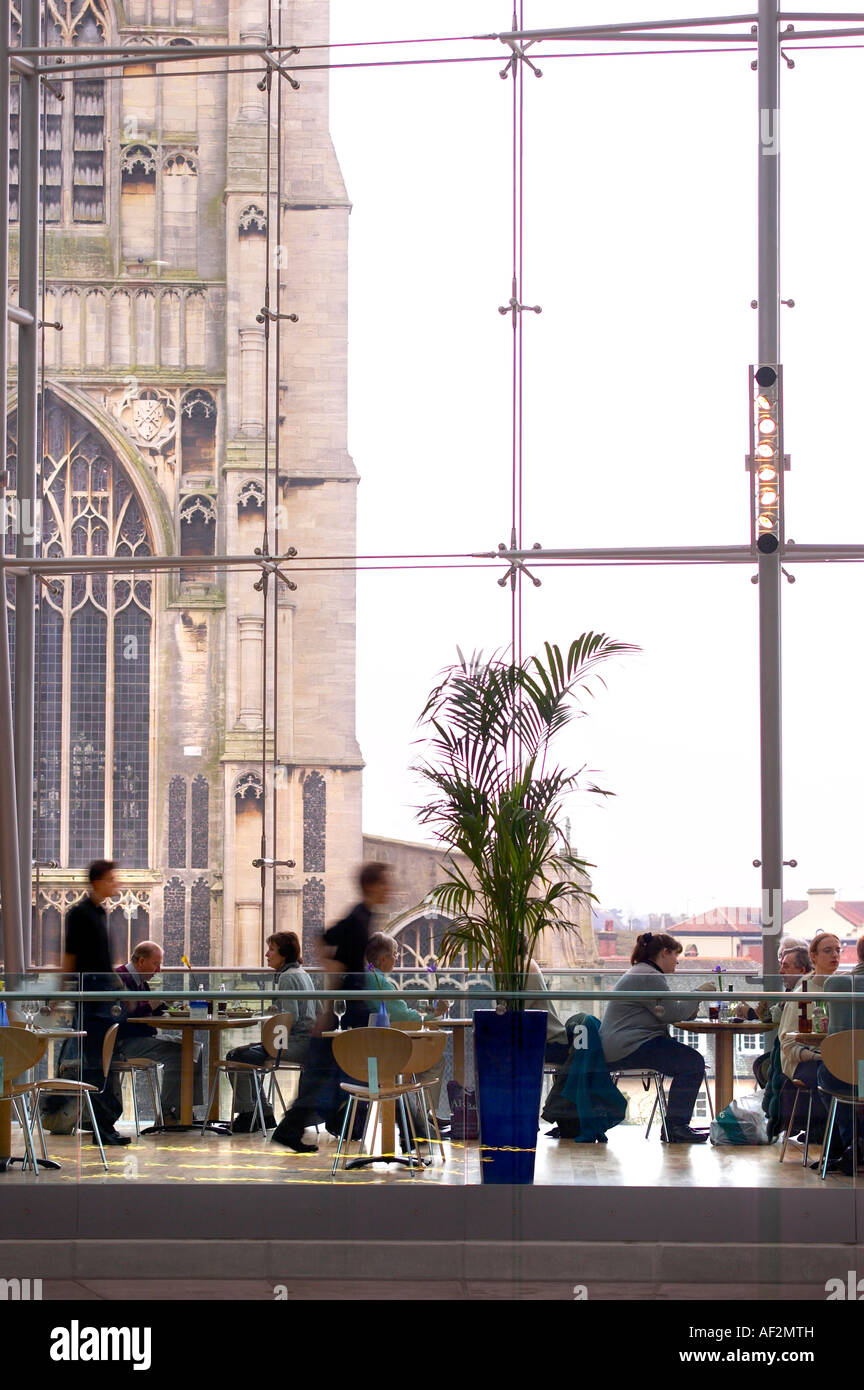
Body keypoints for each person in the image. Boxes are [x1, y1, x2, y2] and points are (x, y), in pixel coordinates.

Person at [271, 862, 394, 1153]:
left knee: (330, 1071)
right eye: (385, 883)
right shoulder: (357, 918)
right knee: (351, 1069)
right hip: (348, 1010)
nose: (389, 889)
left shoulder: (364, 917)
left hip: (350, 1007)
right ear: (372, 885)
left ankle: (299, 1126)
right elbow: (323, 939)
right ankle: (407, 1129)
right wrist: (331, 998)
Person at [599, 931, 709, 1143]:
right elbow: (671, 1013)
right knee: (692, 1063)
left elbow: (665, 1010)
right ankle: (676, 1127)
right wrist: (698, 993)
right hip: (630, 1046)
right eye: (676, 955)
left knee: (687, 1060)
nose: (677, 961)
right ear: (664, 953)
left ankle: (676, 1126)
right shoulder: (650, 976)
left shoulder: (640, 972)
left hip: (622, 1044)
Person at [59, 860, 128, 1147]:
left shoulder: (99, 912)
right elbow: (71, 956)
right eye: (112, 879)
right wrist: (64, 993)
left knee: (104, 1061)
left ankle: (104, 1124)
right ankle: (100, 1127)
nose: (117, 884)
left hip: (101, 996)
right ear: (98, 880)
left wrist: (115, 982)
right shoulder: (80, 914)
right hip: (90, 999)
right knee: (94, 1062)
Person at [224, 932, 319, 1132]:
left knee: (236, 1057)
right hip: (308, 1043)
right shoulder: (302, 974)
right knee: (246, 1055)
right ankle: (263, 1114)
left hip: (293, 1044)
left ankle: (249, 1114)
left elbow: (288, 1018)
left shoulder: (286, 978)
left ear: (283, 954)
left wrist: (270, 1042)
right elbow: (316, 1009)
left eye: (271, 950)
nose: (267, 954)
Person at [364, 931, 448, 1134]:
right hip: (385, 1053)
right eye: (395, 954)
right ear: (383, 959)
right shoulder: (379, 982)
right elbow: (402, 1016)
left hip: (367, 1049)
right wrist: (433, 1014)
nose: (397, 958)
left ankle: (420, 1117)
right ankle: (421, 1117)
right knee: (436, 1060)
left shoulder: (367, 977)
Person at [115, 942, 203, 1127]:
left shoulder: (140, 982)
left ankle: (184, 1109)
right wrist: (153, 1004)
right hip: (124, 1043)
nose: (159, 970)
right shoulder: (120, 979)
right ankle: (167, 1113)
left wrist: (165, 1005)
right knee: (180, 1053)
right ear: (140, 961)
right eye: (156, 964)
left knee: (195, 1048)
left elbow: (145, 1012)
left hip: (142, 1037)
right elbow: (124, 1016)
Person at [776, 931, 842, 1144]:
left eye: (838, 950)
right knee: (828, 1076)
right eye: (828, 950)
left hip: (837, 1057)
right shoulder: (803, 991)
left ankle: (847, 1138)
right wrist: (817, 1057)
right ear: (813, 957)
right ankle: (836, 1139)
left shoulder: (844, 987)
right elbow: (787, 1041)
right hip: (803, 1060)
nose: (835, 955)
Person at [817, 933, 864, 1173]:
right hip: (863, 1075)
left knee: (825, 1077)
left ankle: (852, 1144)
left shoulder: (835, 984)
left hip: (842, 1069)